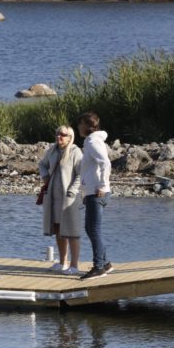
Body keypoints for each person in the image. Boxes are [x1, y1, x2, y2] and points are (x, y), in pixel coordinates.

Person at [38, 125, 83, 274]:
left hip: (69, 198)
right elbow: (42, 164)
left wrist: (72, 191)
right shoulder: (52, 150)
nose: (59, 137)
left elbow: (81, 174)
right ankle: (62, 262)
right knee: (58, 229)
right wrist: (45, 177)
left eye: (63, 135)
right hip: (54, 197)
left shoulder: (76, 152)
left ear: (70, 137)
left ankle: (74, 265)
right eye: (57, 134)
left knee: (72, 231)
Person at [78, 112, 112, 279]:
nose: (78, 127)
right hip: (92, 191)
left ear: (86, 126)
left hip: (97, 193)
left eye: (80, 124)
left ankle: (99, 267)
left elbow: (105, 162)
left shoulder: (92, 141)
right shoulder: (92, 141)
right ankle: (105, 263)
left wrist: (103, 186)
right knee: (90, 228)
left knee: (94, 229)